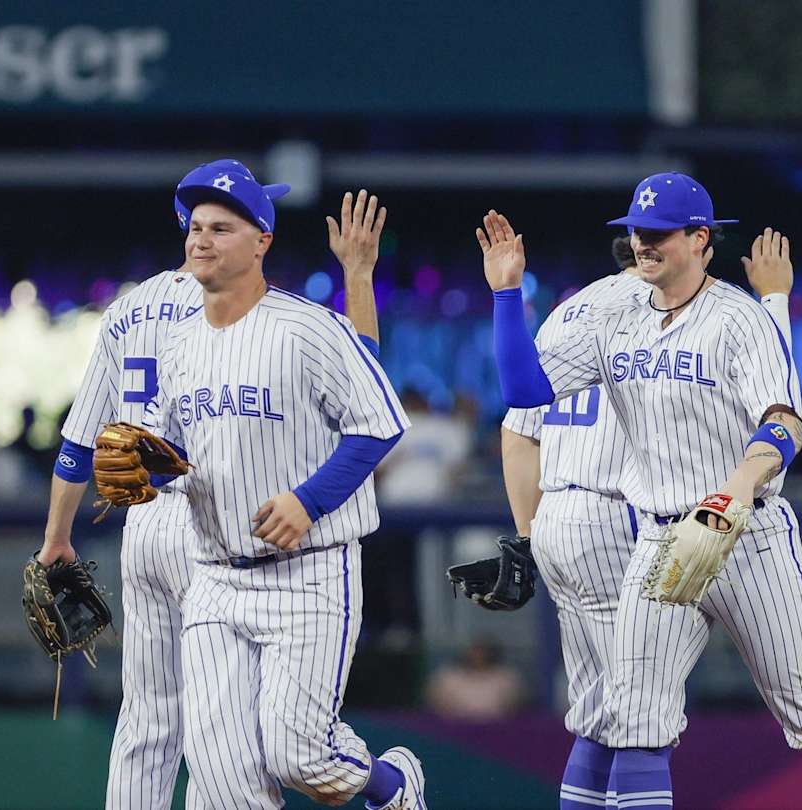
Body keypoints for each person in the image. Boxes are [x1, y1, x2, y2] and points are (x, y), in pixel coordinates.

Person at [482, 172, 802, 810]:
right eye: (637, 231)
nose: (643, 242)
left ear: (701, 239)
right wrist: (506, 293)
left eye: (660, 233)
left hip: (747, 537)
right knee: (636, 721)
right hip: (664, 540)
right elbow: (524, 394)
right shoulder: (614, 317)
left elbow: (785, 421)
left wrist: (740, 483)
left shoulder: (739, 319)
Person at [36, 157, 387, 809]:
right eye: (209, 225)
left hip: (144, 515)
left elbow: (81, 443)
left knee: (150, 719)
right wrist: (357, 279)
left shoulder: (128, 309)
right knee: (218, 739)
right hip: (214, 512)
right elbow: (363, 376)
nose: (213, 238)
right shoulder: (228, 311)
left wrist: (56, 537)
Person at [141, 161, 423, 810]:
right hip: (213, 576)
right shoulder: (178, 344)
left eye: (221, 228)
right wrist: (147, 471)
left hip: (309, 573)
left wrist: (308, 499)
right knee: (221, 776)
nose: (200, 240)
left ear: (262, 240)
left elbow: (378, 423)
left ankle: (395, 785)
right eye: (195, 228)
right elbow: (172, 455)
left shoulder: (306, 328)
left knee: (302, 759)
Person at [424, 638, 527, 720]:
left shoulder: (506, 677)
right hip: (454, 727)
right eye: (475, 652)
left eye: (482, 652)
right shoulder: (448, 676)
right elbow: (436, 701)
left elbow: (514, 704)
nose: (478, 656)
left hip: (498, 727)